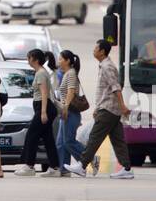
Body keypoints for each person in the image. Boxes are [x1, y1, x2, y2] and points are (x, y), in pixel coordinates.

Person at [77, 39, 134, 179]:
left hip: (109, 109)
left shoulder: (107, 67)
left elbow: (116, 88)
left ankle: (82, 166)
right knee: (118, 140)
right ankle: (126, 168)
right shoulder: (103, 65)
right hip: (109, 108)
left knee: (94, 138)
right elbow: (107, 90)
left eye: (95, 48)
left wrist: (123, 106)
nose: (93, 50)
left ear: (102, 51)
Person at [16, 49, 60, 176]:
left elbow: (44, 93)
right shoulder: (41, 72)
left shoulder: (40, 73)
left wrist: (43, 112)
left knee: (32, 135)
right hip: (44, 107)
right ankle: (55, 167)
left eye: (29, 58)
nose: (27, 60)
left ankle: (29, 166)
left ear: (35, 59)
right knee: (48, 138)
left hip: (43, 106)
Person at [55, 50, 87, 177]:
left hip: (70, 112)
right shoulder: (67, 73)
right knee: (60, 142)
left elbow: (71, 91)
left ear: (67, 61)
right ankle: (64, 169)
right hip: (66, 111)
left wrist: (66, 108)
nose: (59, 61)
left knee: (68, 141)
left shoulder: (71, 73)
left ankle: (90, 157)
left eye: (60, 59)